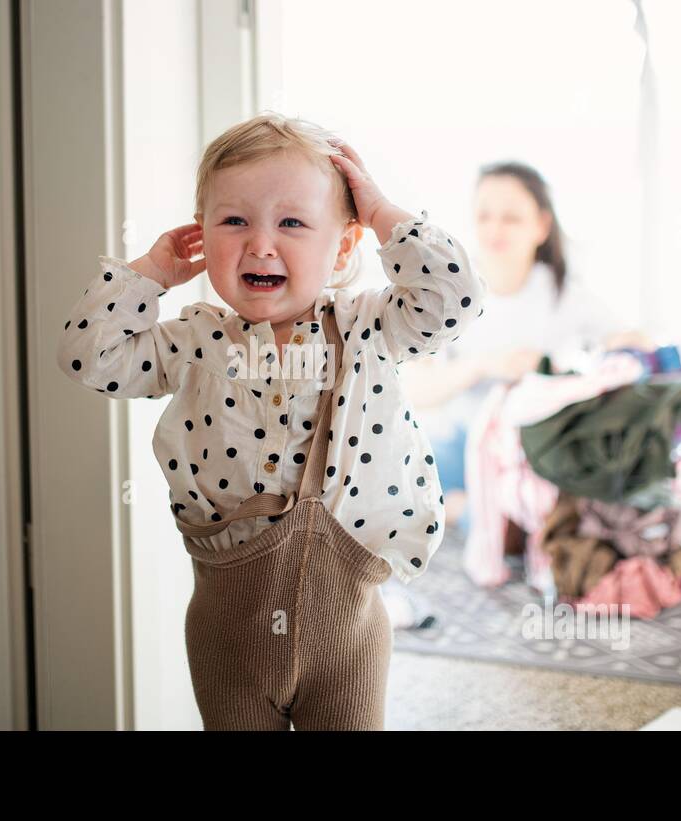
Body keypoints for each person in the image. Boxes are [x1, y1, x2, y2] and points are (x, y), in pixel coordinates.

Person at [57, 112, 485, 729]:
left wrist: (382, 210)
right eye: (234, 221)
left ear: (342, 246)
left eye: (292, 223)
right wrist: (150, 273)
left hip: (348, 635)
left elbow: (454, 298)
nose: (261, 244)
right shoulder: (194, 342)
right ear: (201, 236)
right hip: (226, 634)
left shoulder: (368, 328)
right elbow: (87, 356)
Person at [401, 161, 647, 534]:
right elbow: (416, 393)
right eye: (484, 216)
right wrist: (484, 366)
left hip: (532, 450)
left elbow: (631, 342)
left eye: (511, 218)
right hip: (461, 447)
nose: (495, 229)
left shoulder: (564, 293)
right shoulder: (447, 293)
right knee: (394, 461)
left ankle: (480, 513)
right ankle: (462, 510)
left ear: (541, 226)